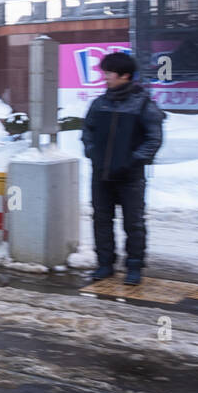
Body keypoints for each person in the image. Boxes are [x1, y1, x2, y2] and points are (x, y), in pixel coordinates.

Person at [81, 52, 164, 286]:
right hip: (101, 175)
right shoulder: (99, 103)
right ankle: (105, 264)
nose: (105, 77)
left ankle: (134, 266)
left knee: (133, 223)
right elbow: (87, 131)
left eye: (109, 73)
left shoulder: (143, 104)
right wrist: (91, 152)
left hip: (130, 178)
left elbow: (154, 139)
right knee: (101, 220)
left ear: (125, 76)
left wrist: (133, 161)